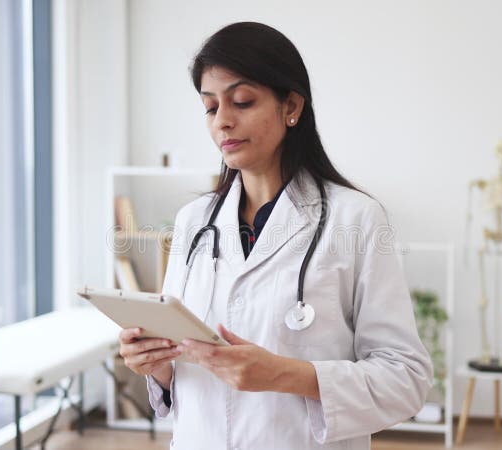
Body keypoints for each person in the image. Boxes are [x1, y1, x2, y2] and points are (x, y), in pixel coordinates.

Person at [119, 21, 432, 450]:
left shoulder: (356, 219)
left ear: (292, 106)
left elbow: (407, 379)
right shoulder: (194, 222)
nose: (223, 122)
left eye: (242, 101)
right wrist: (155, 365)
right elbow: (185, 376)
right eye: (211, 108)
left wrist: (284, 374)